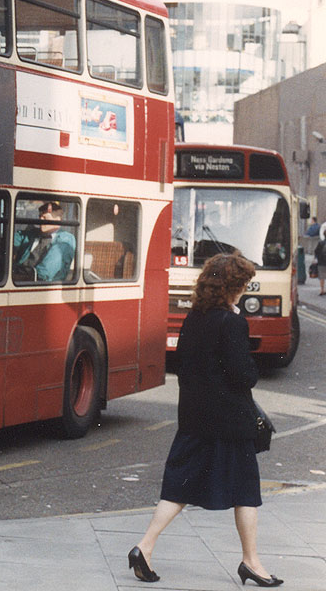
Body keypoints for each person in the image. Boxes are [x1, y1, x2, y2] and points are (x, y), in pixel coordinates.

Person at [129, 252, 282, 587]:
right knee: (246, 492)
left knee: (179, 487)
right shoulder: (233, 322)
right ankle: (251, 561)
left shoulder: (193, 318)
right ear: (232, 287)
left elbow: (183, 364)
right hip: (230, 424)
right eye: (242, 285)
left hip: (195, 419)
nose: (244, 290)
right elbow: (244, 376)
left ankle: (145, 546)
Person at [12, 200, 75, 282]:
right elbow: (13, 239)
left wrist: (14, 278)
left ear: (58, 220)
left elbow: (44, 273)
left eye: (45, 218)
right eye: (40, 217)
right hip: (18, 276)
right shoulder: (33, 233)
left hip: (40, 284)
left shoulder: (65, 239)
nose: (40, 221)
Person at [315, 229, 326, 296]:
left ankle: (322, 289)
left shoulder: (320, 243)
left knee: (322, 276)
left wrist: (316, 258)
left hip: (321, 262)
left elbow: (316, 251)